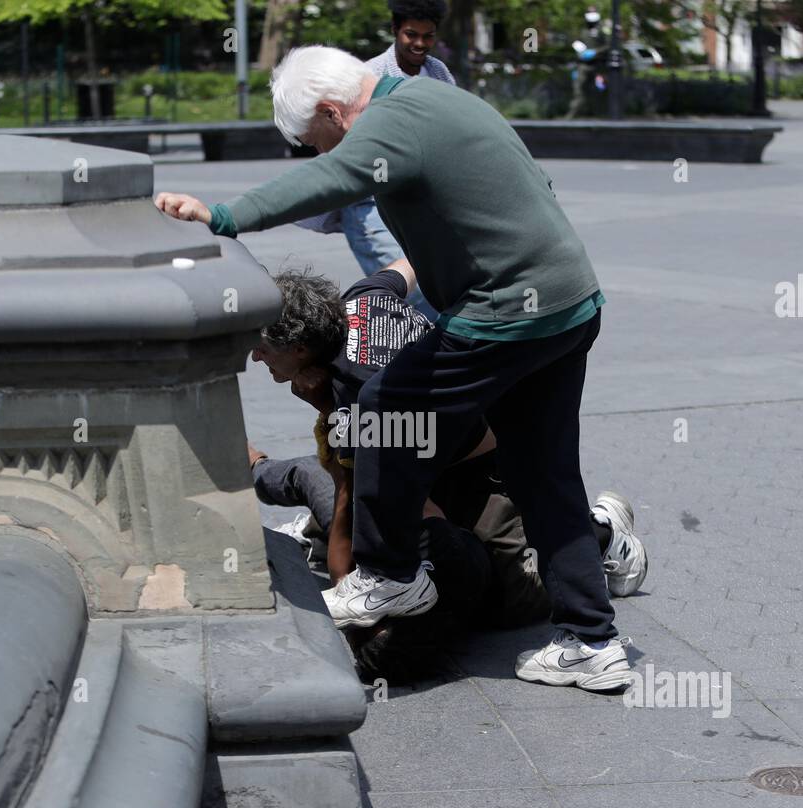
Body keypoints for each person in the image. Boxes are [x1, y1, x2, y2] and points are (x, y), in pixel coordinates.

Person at [156, 45, 637, 692]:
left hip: (507, 313)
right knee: (543, 475)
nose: (316, 152)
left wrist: (223, 215)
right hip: (568, 305)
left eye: (312, 138)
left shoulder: (389, 121)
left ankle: (389, 575)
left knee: (383, 411)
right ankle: (592, 641)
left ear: (332, 110)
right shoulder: (438, 98)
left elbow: (327, 182)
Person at [247, 263, 648, 681]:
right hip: (467, 434)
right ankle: (313, 524)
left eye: (261, 347)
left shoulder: (359, 400)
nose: (255, 356)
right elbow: (408, 265)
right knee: (358, 491)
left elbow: (411, 514)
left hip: (478, 465)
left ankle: (603, 535)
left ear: (299, 349)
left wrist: (330, 412)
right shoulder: (360, 300)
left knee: (516, 562)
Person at [299, 0, 454, 323]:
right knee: (418, 296)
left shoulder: (438, 72)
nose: (420, 44)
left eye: (428, 36)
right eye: (412, 34)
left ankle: (422, 364)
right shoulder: (368, 77)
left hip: (422, 204)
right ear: (396, 30)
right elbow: (337, 138)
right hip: (370, 204)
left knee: (440, 292)